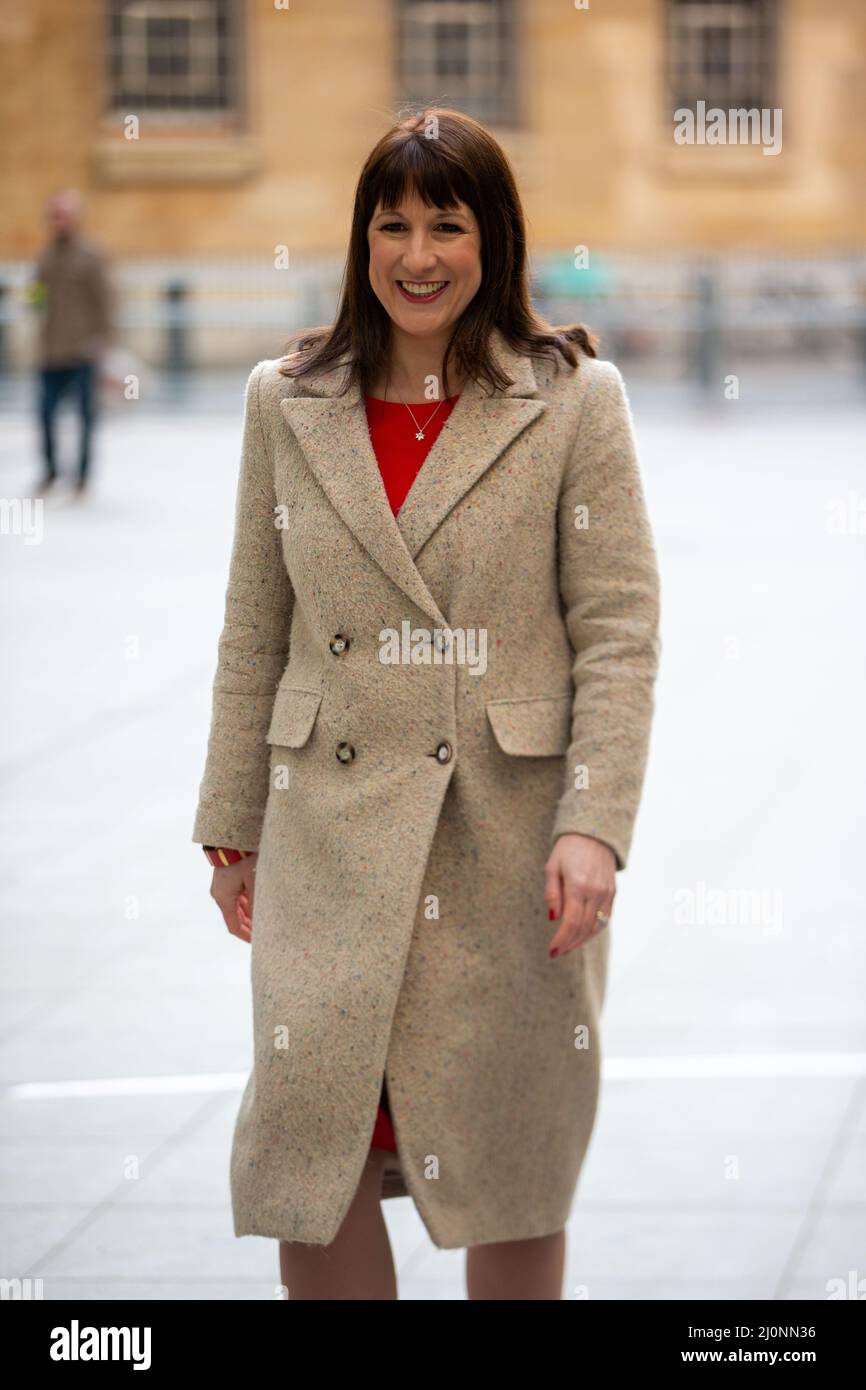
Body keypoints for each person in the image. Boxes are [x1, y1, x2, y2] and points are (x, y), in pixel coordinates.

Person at [192, 107, 661, 1300]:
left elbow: (617, 629)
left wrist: (592, 822)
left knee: (508, 1159)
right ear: (359, 242)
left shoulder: (570, 399)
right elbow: (256, 620)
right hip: (327, 842)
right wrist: (229, 822)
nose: (416, 254)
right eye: (390, 224)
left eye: (445, 225)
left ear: (491, 239)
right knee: (318, 1150)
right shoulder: (284, 400)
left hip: (504, 845)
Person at [30, 188, 115, 496]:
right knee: (45, 412)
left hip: (83, 352)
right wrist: (34, 304)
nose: (59, 221)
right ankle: (51, 471)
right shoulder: (44, 256)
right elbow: (36, 297)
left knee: (85, 416)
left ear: (75, 219)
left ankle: (81, 476)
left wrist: (103, 341)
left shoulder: (91, 255)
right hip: (51, 351)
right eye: (55, 216)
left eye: (64, 215)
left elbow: (106, 301)